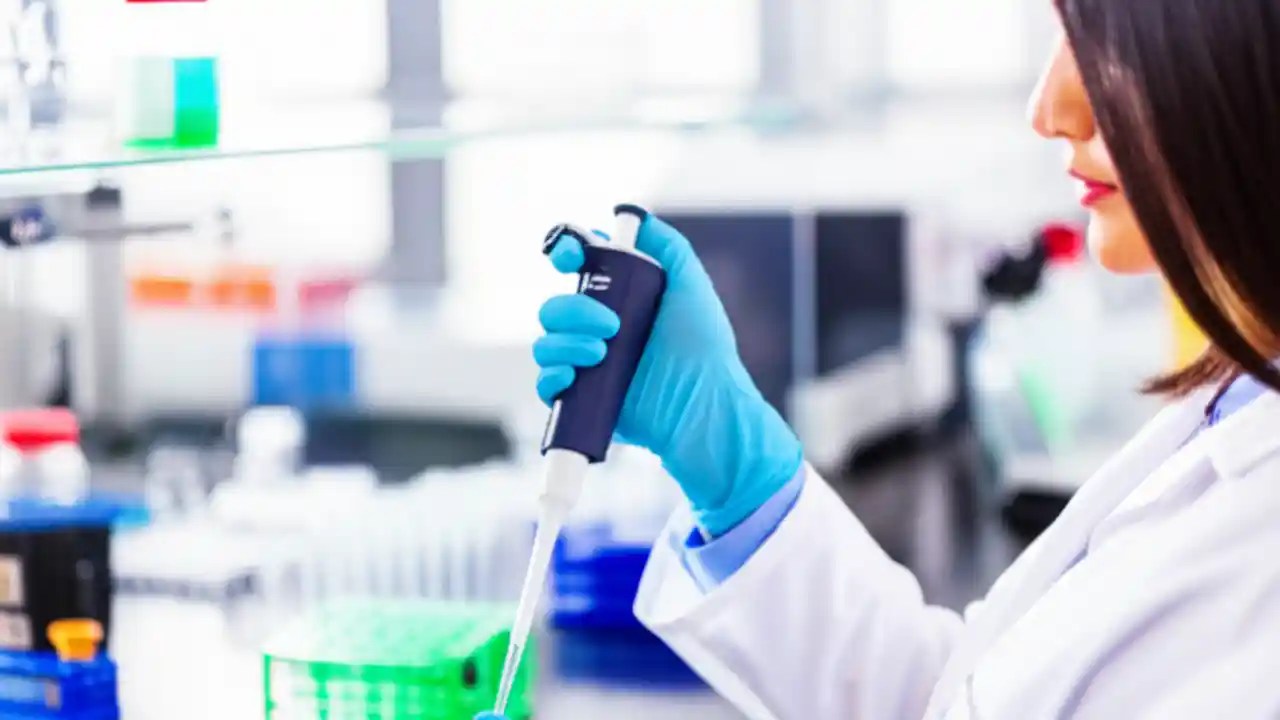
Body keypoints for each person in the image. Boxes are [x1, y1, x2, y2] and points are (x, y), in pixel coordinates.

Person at [484, 1, 1280, 717]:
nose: (1049, 110)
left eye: (1104, 43)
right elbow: (971, 698)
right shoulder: (1242, 400)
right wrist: (737, 473)